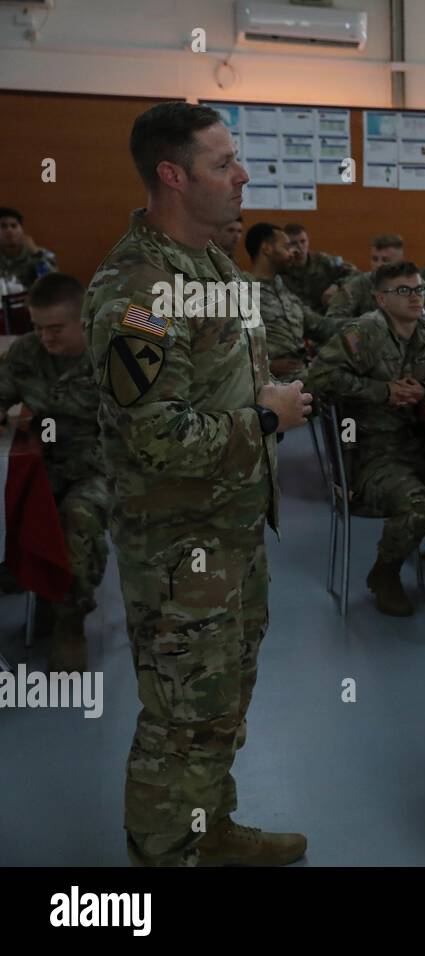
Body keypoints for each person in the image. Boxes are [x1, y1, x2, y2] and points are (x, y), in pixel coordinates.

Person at [83, 101, 312, 866]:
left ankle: (209, 829)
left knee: (220, 707)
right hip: (180, 551)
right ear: (172, 176)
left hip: (233, 534)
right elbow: (155, 438)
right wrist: (270, 419)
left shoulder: (210, 263)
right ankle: (162, 856)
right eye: (222, 163)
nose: (242, 175)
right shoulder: (138, 293)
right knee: (180, 718)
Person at [306, 261, 425, 616]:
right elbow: (317, 379)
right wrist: (381, 391)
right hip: (368, 452)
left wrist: (422, 389)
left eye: (419, 289)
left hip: (418, 444)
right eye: (404, 291)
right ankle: (385, 574)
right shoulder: (362, 334)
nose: (416, 297)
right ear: (381, 299)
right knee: (420, 507)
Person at [0, 272, 107, 672]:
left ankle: (69, 622)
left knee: (77, 519)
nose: (46, 338)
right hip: (40, 463)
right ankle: (33, 585)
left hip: (98, 466)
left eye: (56, 328)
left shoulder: (112, 355)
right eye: (37, 327)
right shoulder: (28, 352)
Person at [245, 221, 335, 382]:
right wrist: (268, 365)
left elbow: (320, 326)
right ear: (267, 249)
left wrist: (360, 325)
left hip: (302, 377)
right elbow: (227, 349)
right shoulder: (243, 292)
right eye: (286, 247)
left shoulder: (284, 291)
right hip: (268, 384)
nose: (292, 252)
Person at [282, 223, 356, 312]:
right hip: (295, 316)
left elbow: (354, 272)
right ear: (286, 246)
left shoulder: (322, 260)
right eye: (294, 243)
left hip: (324, 314)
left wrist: (337, 285)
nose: (300, 247)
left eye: (303, 241)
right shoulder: (281, 267)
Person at [0, 207, 58, 288]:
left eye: (14, 226)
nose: (9, 230)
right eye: (3, 226)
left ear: (21, 230)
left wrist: (36, 255)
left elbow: (53, 282)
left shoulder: (40, 253)